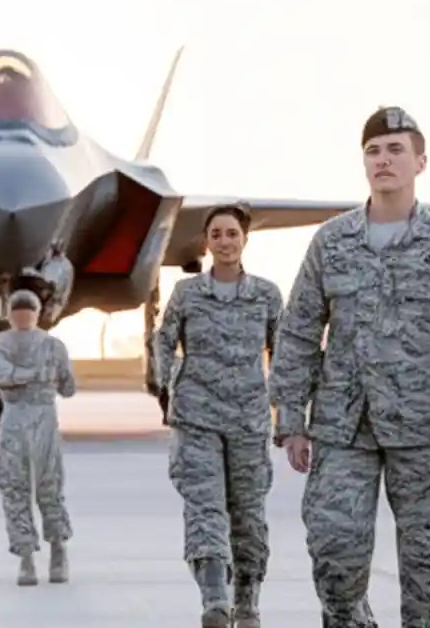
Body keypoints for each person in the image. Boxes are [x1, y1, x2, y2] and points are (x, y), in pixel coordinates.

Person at [268, 106, 430, 627]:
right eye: (373, 151)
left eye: (396, 149)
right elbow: (299, 332)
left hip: (426, 435)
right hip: (341, 430)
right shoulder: (332, 243)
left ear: (420, 161)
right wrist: (290, 421)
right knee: (334, 556)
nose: (383, 160)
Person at [154, 203, 282, 628]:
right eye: (216, 235)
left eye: (231, 234)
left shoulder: (266, 294)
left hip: (248, 419)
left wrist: (286, 407)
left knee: (247, 514)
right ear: (206, 242)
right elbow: (163, 340)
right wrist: (167, 383)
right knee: (204, 508)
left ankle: (247, 602)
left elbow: (281, 353)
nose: (224, 242)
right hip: (197, 418)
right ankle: (213, 599)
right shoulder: (187, 293)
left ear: (244, 239)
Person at [0, 289, 77, 586]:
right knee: (16, 487)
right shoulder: (7, 344)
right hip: (21, 417)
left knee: (48, 486)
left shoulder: (48, 345)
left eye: (26, 310)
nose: (23, 316)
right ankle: (28, 556)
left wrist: (22, 376)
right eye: (19, 311)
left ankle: (55, 549)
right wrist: (39, 375)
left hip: (36, 418)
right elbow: (0, 379)